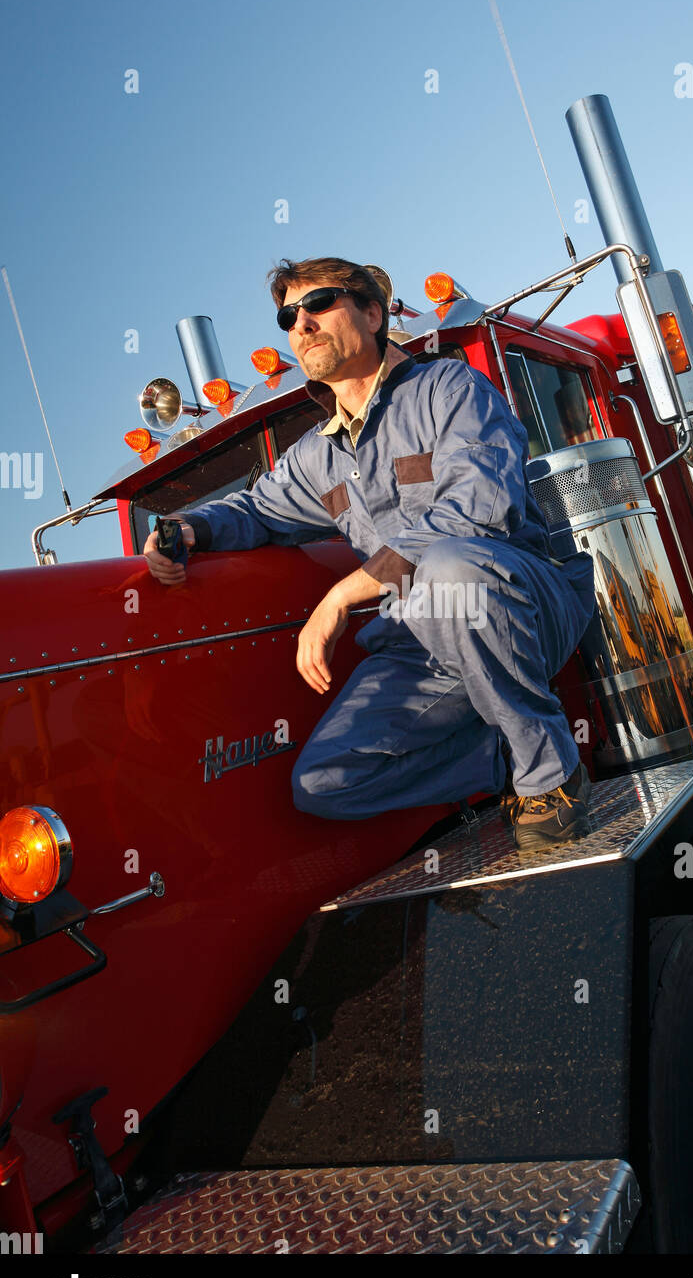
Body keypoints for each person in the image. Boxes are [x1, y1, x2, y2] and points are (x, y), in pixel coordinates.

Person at [144, 257, 596, 849]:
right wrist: (186, 527)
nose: (300, 323)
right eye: (288, 315)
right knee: (324, 783)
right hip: (418, 643)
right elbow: (255, 510)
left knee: (449, 567)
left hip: (519, 606)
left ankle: (551, 774)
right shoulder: (315, 458)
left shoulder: (447, 389)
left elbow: (477, 508)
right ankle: (501, 758)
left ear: (374, 312)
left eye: (319, 304)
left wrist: (341, 595)